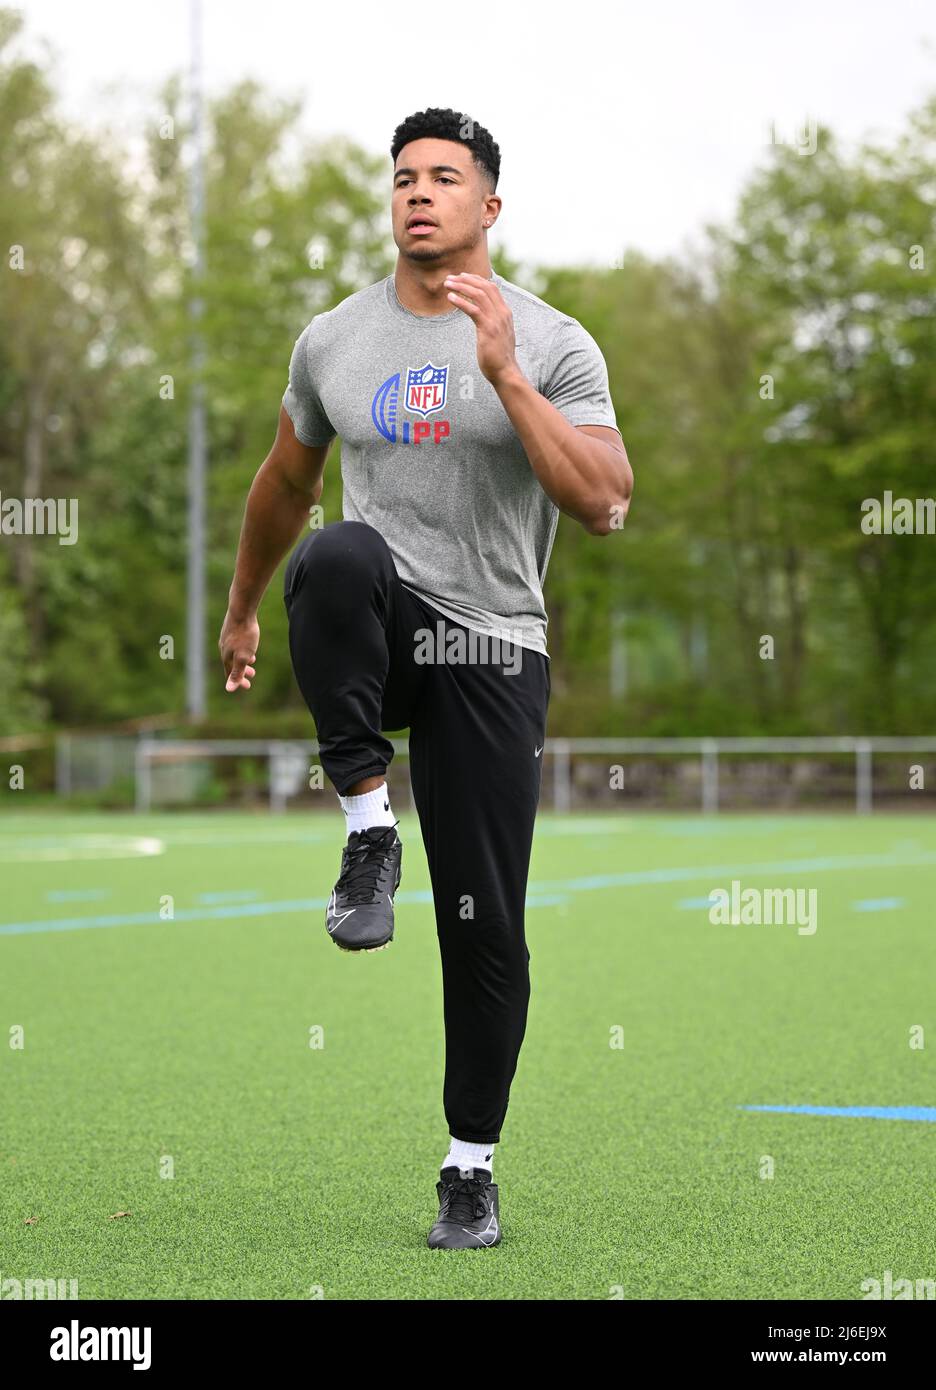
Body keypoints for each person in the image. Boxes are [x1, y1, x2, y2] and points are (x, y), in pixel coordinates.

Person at [219, 107, 633, 1249]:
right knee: (339, 552)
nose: (418, 194)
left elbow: (603, 500)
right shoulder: (335, 340)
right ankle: (365, 825)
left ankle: (469, 1166)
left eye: (445, 178)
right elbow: (285, 483)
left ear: (488, 207)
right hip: (392, 627)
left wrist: (504, 373)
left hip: (494, 643)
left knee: (485, 922)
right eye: (404, 177)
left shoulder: (550, 339)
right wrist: (246, 604)